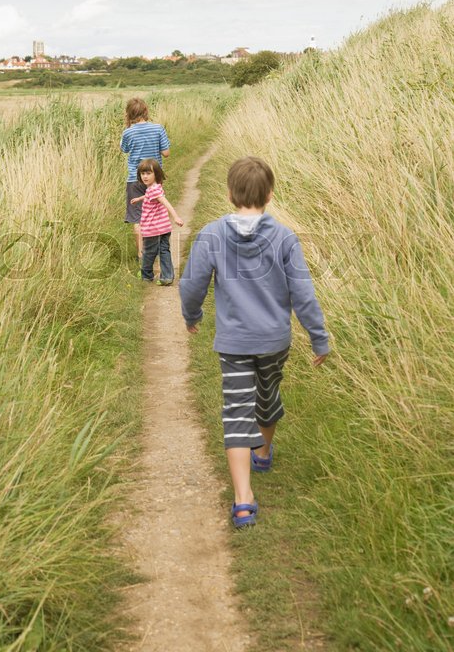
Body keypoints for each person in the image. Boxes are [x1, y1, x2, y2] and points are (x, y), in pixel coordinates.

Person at [179, 156, 330, 528]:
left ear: (229, 193)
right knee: (266, 394)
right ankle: (260, 454)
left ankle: (244, 498)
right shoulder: (284, 238)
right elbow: (304, 294)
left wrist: (192, 315)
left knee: (237, 409)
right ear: (271, 195)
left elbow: (192, 283)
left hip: (234, 341)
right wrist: (318, 337)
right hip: (274, 340)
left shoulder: (212, 234)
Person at [121, 98, 170, 259]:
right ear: (146, 111)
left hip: (134, 178)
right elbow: (166, 153)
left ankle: (142, 255)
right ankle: (156, 251)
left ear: (129, 114)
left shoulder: (128, 132)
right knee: (156, 214)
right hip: (154, 178)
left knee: (138, 219)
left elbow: (124, 149)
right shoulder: (158, 128)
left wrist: (128, 128)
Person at [131, 158, 183, 285]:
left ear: (156, 174)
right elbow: (151, 196)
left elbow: (166, 203)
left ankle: (146, 274)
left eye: (149, 173)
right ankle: (167, 277)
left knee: (148, 252)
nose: (145, 176)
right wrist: (139, 198)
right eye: (143, 173)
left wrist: (176, 216)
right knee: (164, 251)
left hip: (153, 229)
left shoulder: (153, 190)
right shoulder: (156, 188)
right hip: (164, 228)